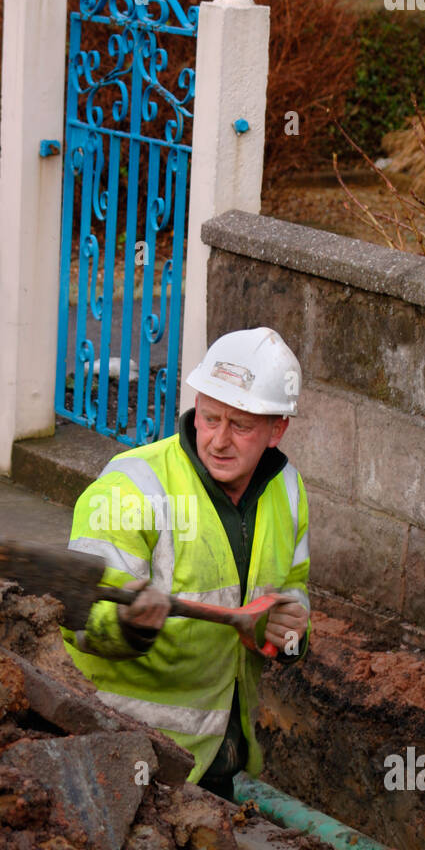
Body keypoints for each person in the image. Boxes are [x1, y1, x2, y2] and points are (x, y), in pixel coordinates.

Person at [61, 326, 310, 800]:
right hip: (126, 750)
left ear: (277, 429)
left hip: (223, 753)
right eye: (209, 417)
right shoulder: (132, 488)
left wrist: (291, 631)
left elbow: (293, 589)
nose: (218, 440)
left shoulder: (288, 491)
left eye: (240, 426)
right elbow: (77, 618)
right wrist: (129, 625)